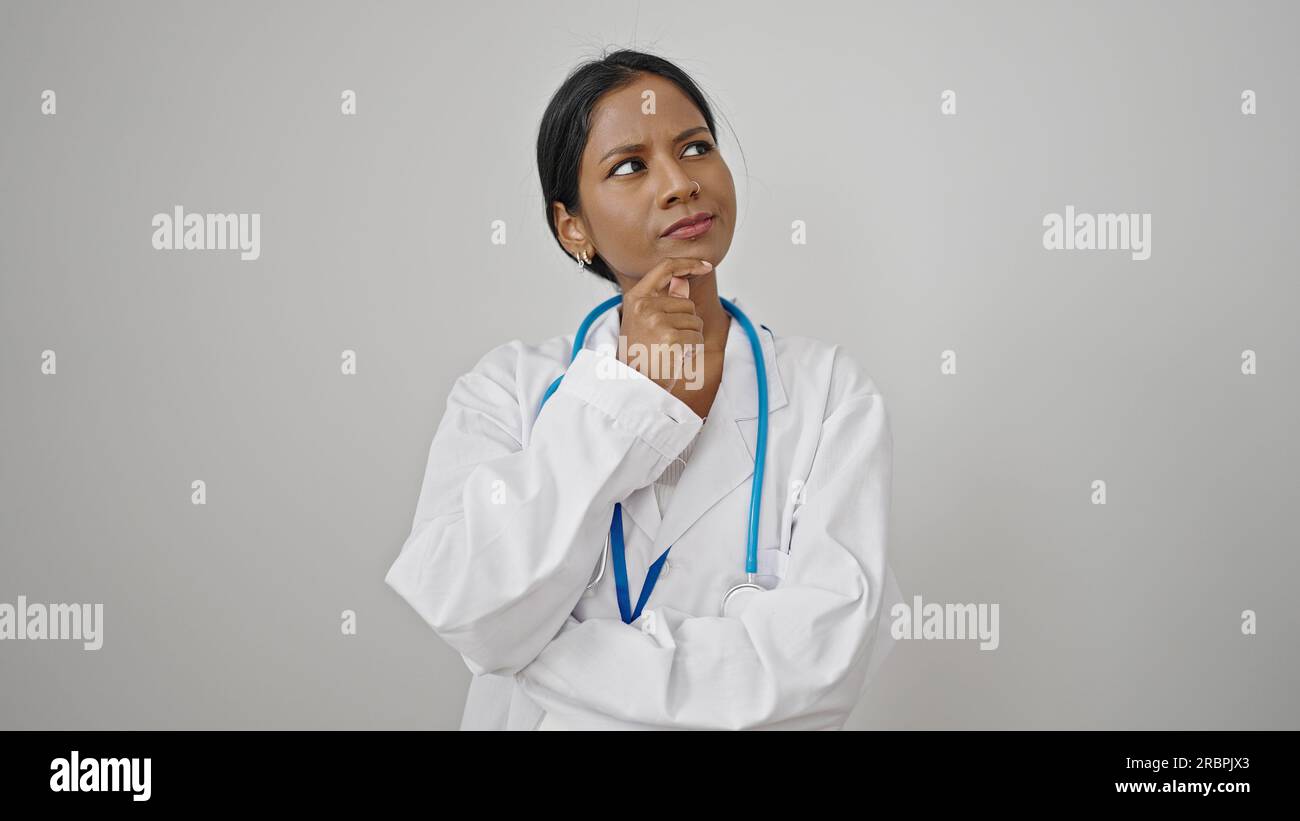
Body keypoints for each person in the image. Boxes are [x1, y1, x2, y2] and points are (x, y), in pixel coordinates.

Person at [384, 48, 901, 730]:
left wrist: (534, 652)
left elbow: (821, 665)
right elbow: (469, 600)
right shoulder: (504, 391)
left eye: (695, 148)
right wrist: (623, 395)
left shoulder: (829, 393)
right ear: (572, 226)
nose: (680, 183)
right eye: (630, 165)